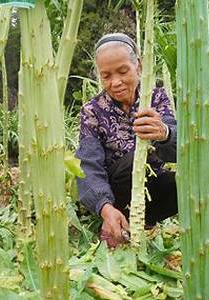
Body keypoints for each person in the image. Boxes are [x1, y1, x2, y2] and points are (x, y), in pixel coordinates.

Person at [76, 33, 178, 248]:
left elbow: (180, 149)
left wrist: (165, 133)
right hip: (115, 191)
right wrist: (105, 207)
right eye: (106, 76)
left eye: (123, 72)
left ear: (138, 66)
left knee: (178, 183)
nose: (116, 82)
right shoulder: (92, 111)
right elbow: (88, 165)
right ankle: (114, 219)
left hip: (152, 186)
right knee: (134, 162)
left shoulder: (156, 98)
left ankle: (146, 221)